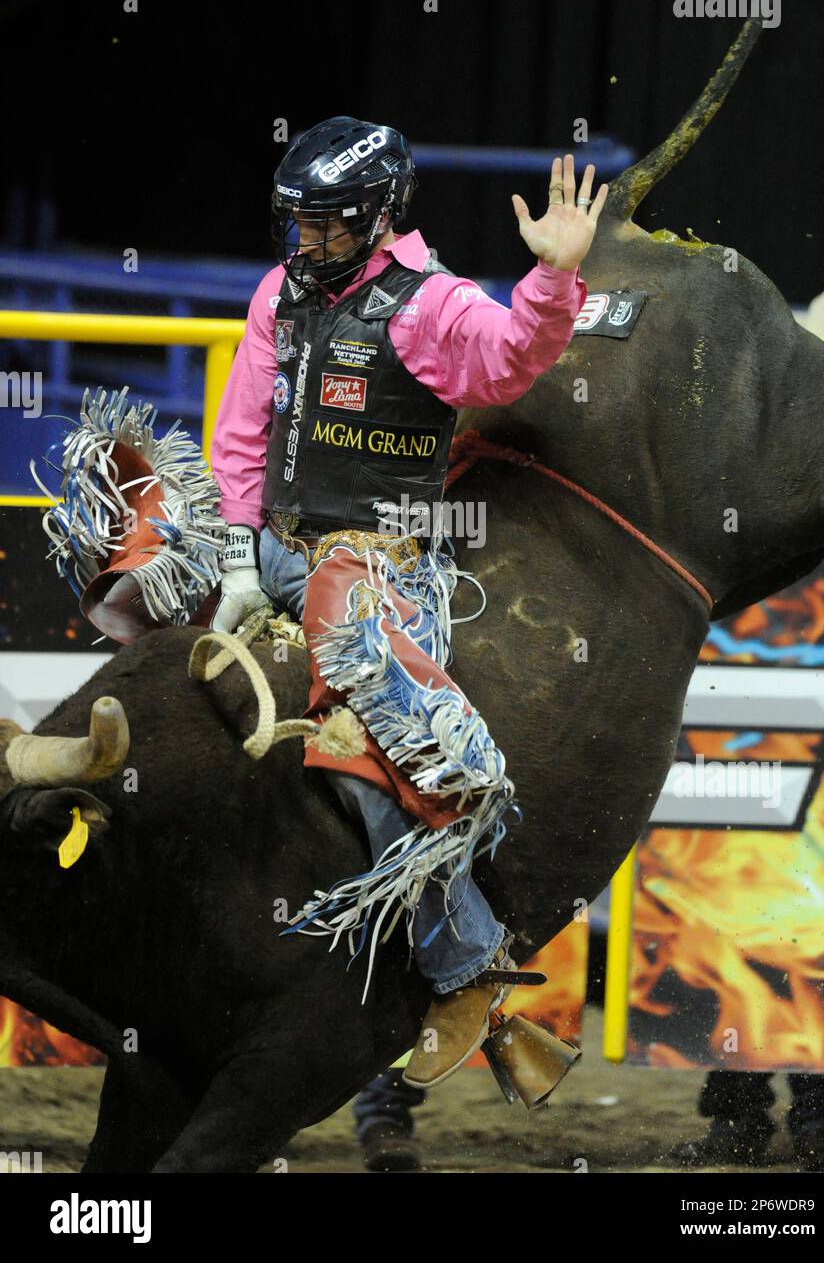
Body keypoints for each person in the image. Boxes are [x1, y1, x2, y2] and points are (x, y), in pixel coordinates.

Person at [209, 115, 606, 1087]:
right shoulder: (279, 295)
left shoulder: (430, 307)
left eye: (328, 226)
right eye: (297, 224)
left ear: (379, 218)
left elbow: (510, 355)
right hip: (274, 554)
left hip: (377, 566)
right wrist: (231, 558)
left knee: (370, 765)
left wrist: (552, 277)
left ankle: (465, 968)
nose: (306, 243)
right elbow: (243, 432)